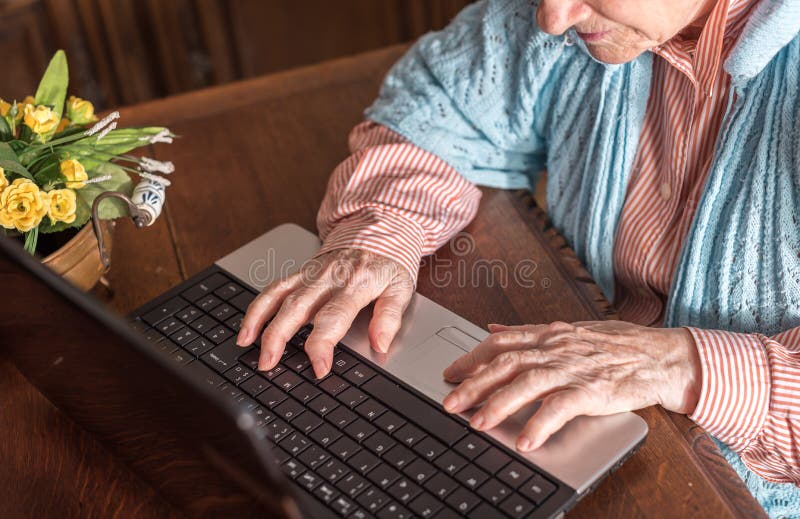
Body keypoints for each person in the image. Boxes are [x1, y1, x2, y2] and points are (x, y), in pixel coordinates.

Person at [238, 0, 800, 514]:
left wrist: (685, 366)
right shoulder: (567, 13)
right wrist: (380, 235)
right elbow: (441, 105)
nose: (552, 20)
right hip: (580, 420)